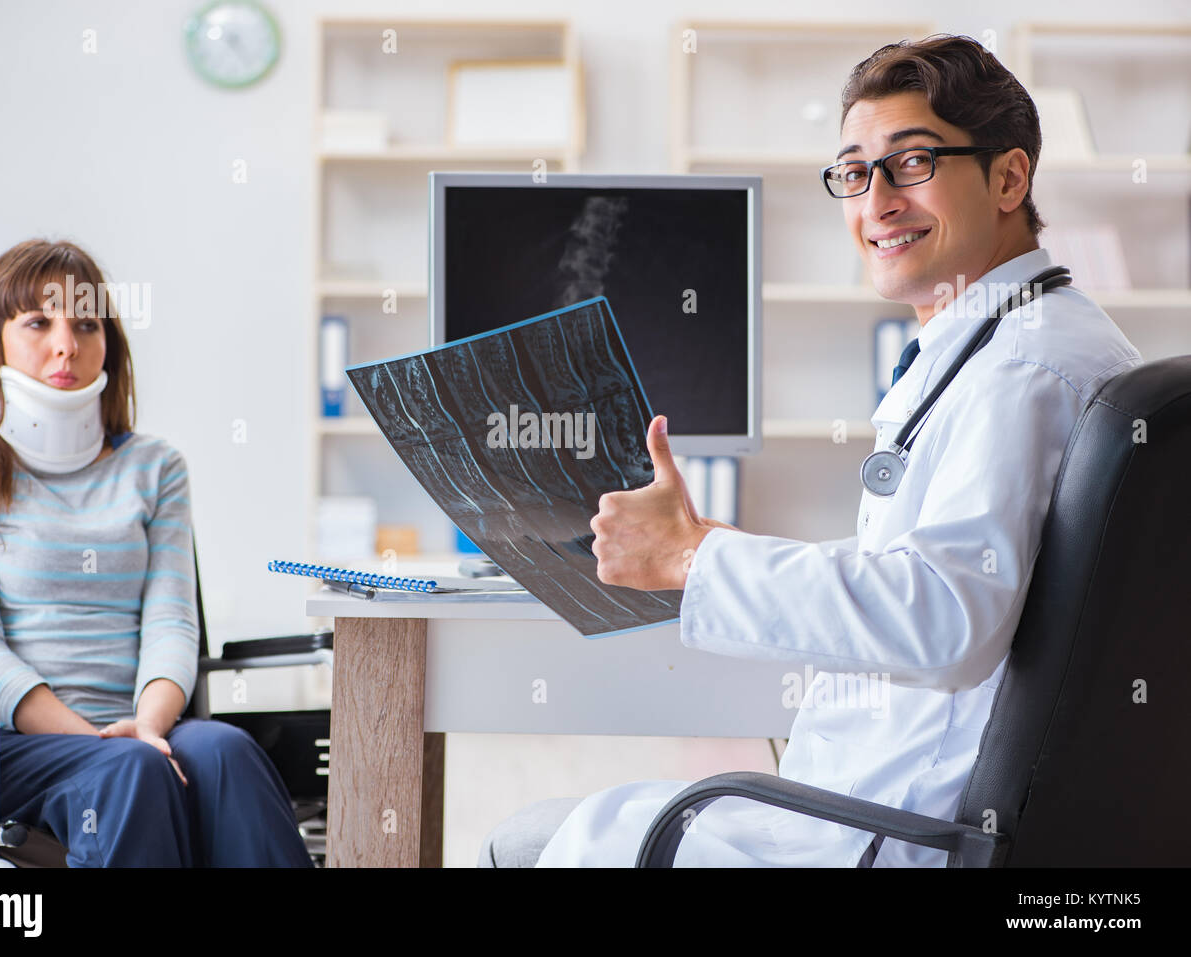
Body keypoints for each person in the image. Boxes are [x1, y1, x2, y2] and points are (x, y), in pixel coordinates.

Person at [479, 34, 1142, 867]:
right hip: (903, 799)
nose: (878, 202)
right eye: (855, 174)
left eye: (912, 163)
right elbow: (947, 573)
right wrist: (717, 552)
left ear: (1009, 177)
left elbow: (944, 615)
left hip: (901, 829)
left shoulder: (1025, 369)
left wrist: (699, 557)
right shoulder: (1027, 340)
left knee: (529, 842)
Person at [0, 238, 313, 867]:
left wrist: (149, 729)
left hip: (140, 728)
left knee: (227, 751)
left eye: (86, 324)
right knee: (130, 769)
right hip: (11, 745)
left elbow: (172, 623)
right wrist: (105, 742)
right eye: (39, 322)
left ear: (110, 344)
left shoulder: (156, 468)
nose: (65, 344)